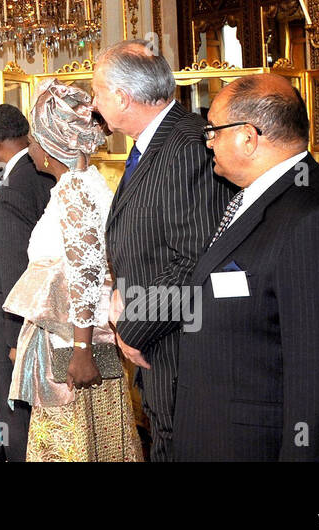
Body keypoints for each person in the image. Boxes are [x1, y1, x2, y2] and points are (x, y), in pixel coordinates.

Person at [172, 74, 319, 461]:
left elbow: (316, 369)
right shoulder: (255, 196)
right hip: (218, 433)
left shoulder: (312, 213)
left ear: (248, 137)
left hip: (257, 445)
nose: (209, 143)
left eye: (213, 131)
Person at [91, 39, 234, 461]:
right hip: (160, 336)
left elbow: (195, 258)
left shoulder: (186, 145)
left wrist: (135, 326)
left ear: (122, 96)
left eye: (97, 93)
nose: (95, 105)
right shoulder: (153, 143)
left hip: (178, 342)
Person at [3, 79, 142, 462]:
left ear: (50, 146)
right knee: (97, 440)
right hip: (81, 337)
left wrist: (82, 350)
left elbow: (86, 272)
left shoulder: (74, 192)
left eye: (34, 137)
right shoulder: (86, 183)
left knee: (70, 445)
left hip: (73, 343)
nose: (29, 146)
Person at [0, 103, 55, 462]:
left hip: (17, 319)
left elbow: (15, 270)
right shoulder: (42, 172)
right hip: (46, 310)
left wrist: (12, 336)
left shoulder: (17, 186)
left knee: (15, 406)